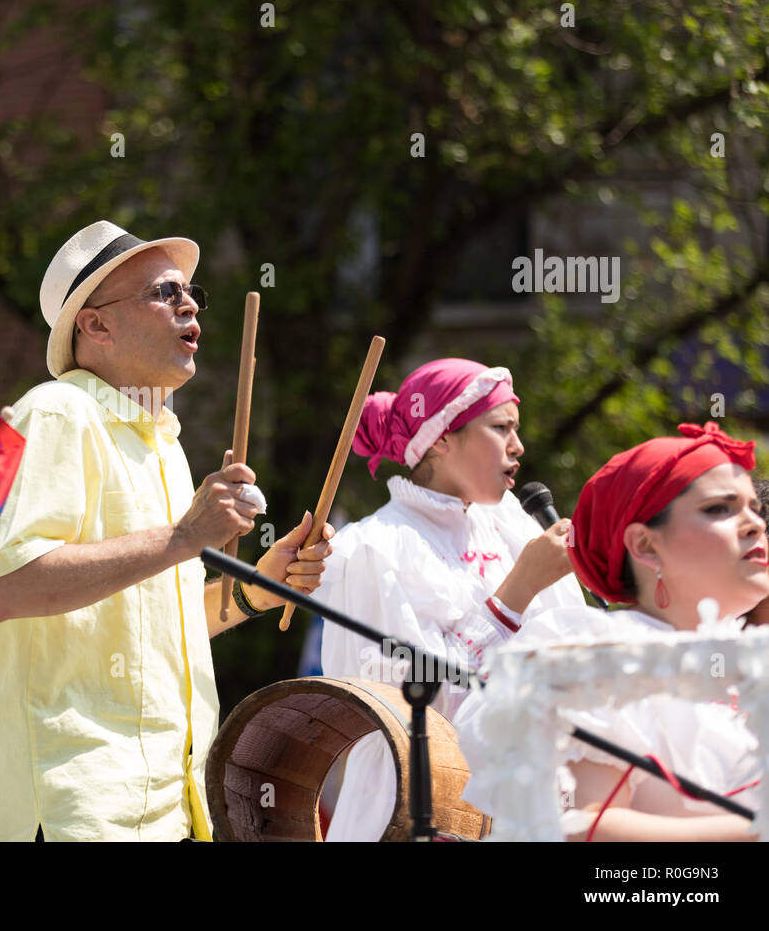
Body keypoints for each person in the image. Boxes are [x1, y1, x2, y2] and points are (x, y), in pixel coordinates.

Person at [0, 220, 335, 841]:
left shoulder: (163, 445)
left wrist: (259, 590)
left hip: (171, 806)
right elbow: (6, 588)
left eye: (191, 292)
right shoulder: (57, 411)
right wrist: (182, 537)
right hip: (77, 810)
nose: (190, 303)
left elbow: (165, 620)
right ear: (95, 325)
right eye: (165, 293)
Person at [312, 358, 587, 840]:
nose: (518, 446)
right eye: (501, 427)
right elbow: (405, 713)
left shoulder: (518, 526)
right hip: (420, 816)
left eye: (516, 429)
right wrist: (514, 595)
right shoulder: (374, 549)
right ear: (440, 438)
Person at [458, 422, 767, 840]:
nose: (753, 524)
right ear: (644, 545)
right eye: (719, 509)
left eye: (752, 508)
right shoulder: (596, 655)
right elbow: (585, 828)